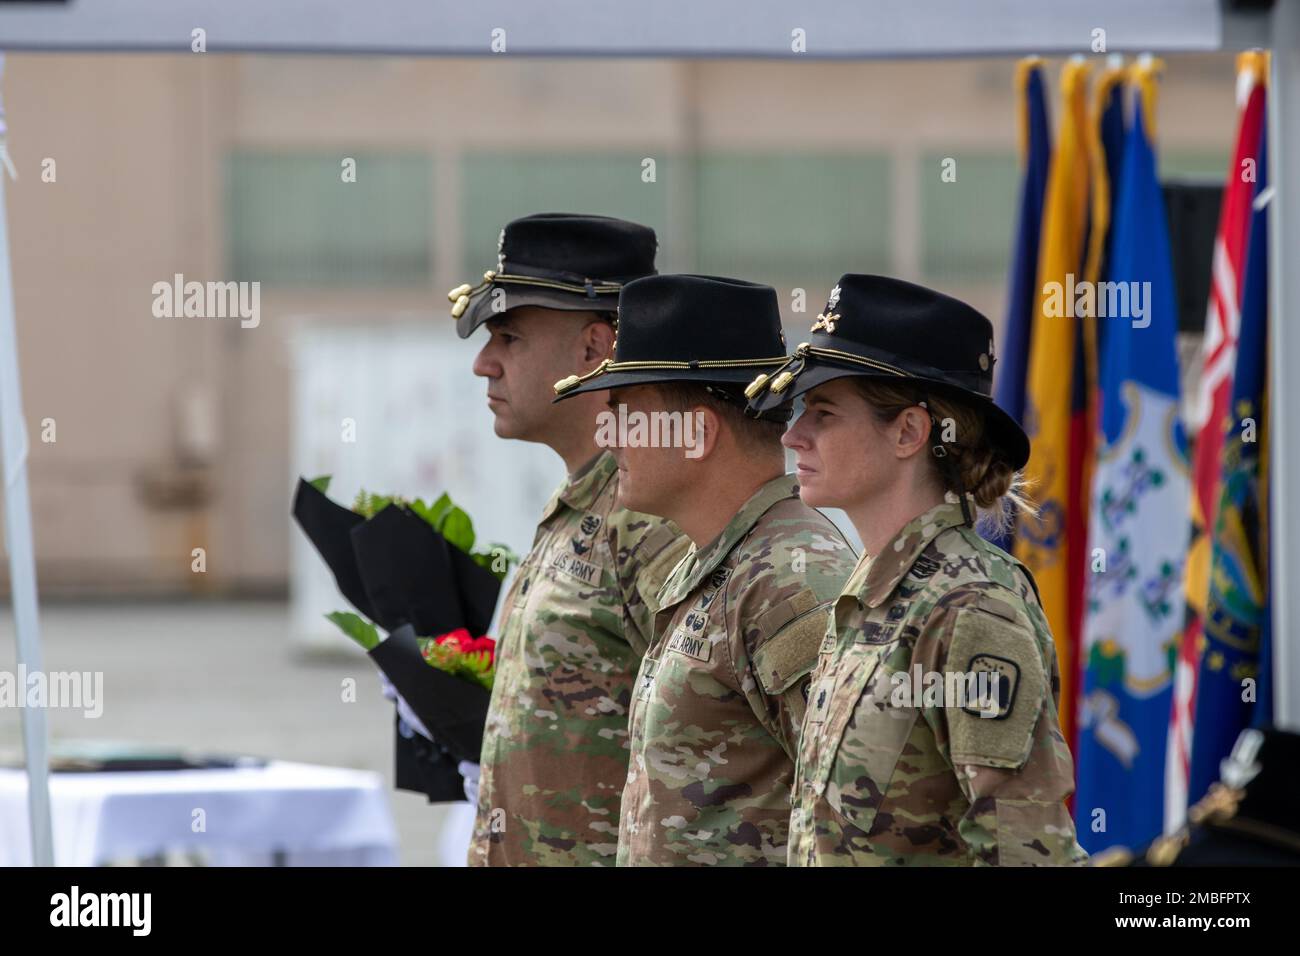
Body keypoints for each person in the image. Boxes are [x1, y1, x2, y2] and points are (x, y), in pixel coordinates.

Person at [747, 273, 1087, 866]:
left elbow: (1025, 852)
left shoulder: (970, 608)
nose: (794, 435)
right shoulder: (871, 592)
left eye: (822, 413)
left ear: (908, 432)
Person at [554, 274, 856, 865]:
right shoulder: (717, 559)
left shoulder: (789, 581)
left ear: (698, 433)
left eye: (626, 416)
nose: (608, 437)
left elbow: (851, 818)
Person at [451, 213, 688, 866]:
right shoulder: (583, 499)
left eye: (508, 337)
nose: (483, 363)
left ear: (594, 351)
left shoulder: (654, 519)